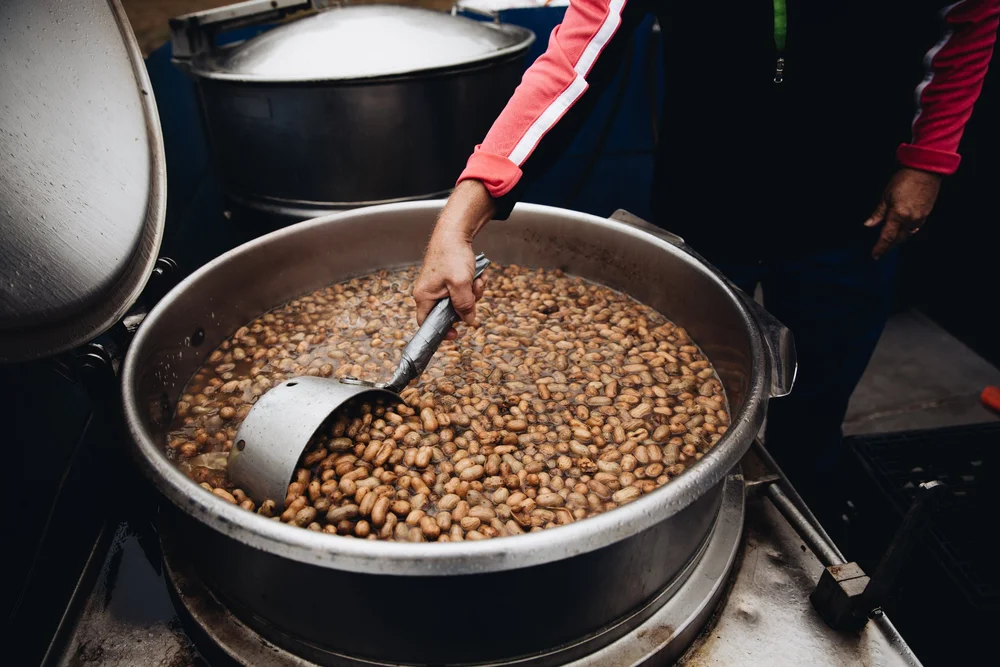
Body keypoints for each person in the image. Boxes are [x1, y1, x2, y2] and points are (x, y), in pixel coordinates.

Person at [413, 0, 999, 516]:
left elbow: (969, 18)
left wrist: (929, 156)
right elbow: (574, 56)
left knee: (819, 401)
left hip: (852, 198)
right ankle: (688, 522)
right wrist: (462, 214)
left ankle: (812, 516)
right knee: (685, 396)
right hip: (706, 192)